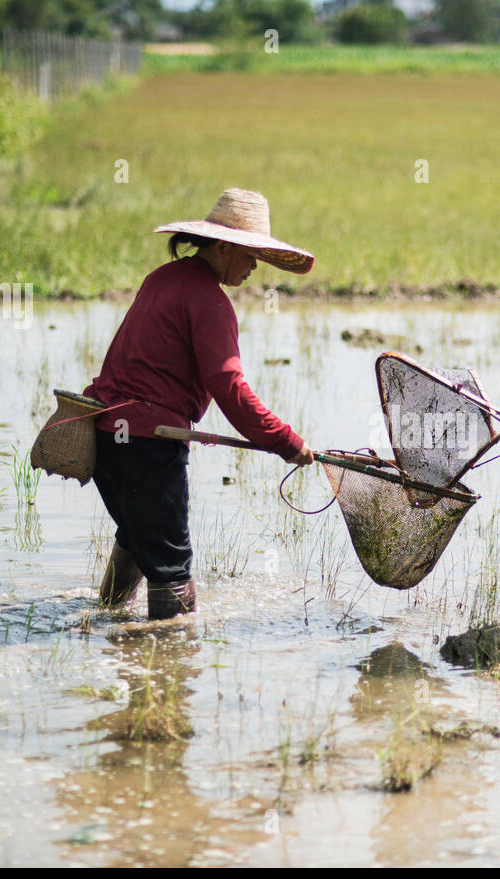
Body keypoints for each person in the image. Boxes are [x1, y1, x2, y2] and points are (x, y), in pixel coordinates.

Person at [84, 188, 315, 620]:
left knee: (138, 538)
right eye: (250, 255)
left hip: (105, 438)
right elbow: (230, 387)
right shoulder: (210, 301)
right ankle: (167, 668)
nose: (254, 267)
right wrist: (286, 441)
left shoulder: (162, 279)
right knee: (170, 569)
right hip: (148, 445)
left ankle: (105, 625)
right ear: (223, 247)